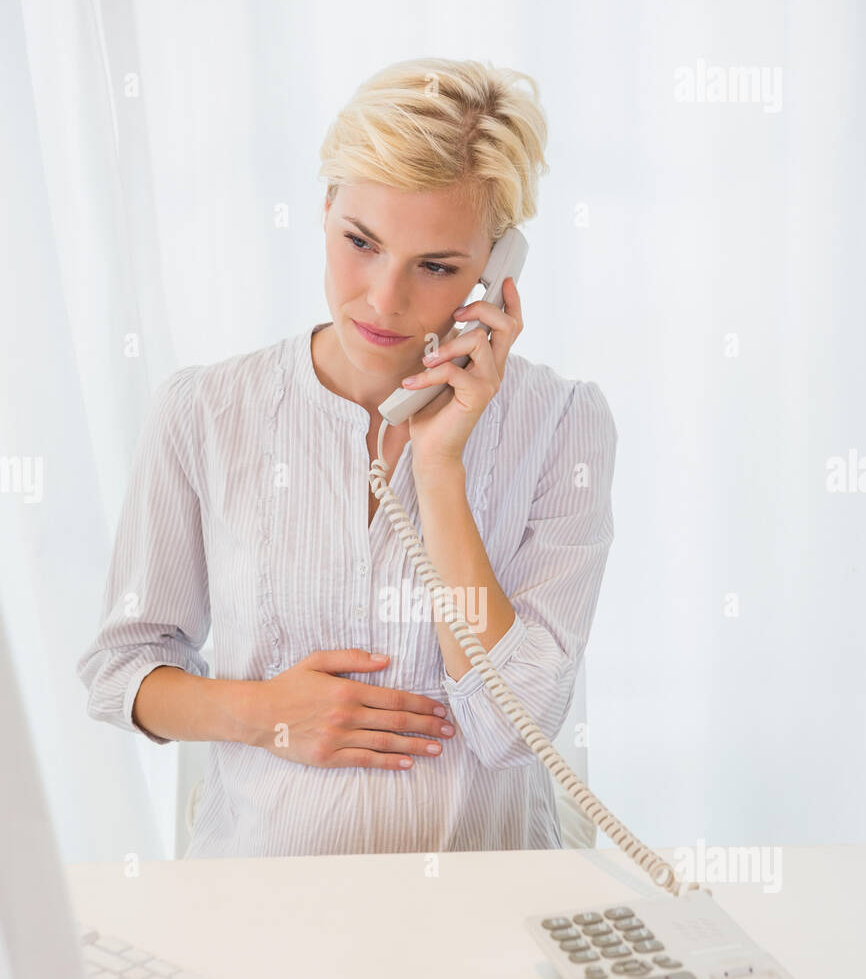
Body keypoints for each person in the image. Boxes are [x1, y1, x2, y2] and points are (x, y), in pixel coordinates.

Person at [76, 57, 617, 858]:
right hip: (264, 910)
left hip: (491, 910)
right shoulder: (204, 412)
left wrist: (439, 471)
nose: (384, 299)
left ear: (496, 272)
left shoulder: (565, 423)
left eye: (437, 267)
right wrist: (262, 714)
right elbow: (121, 669)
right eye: (361, 242)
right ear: (326, 208)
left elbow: (514, 727)